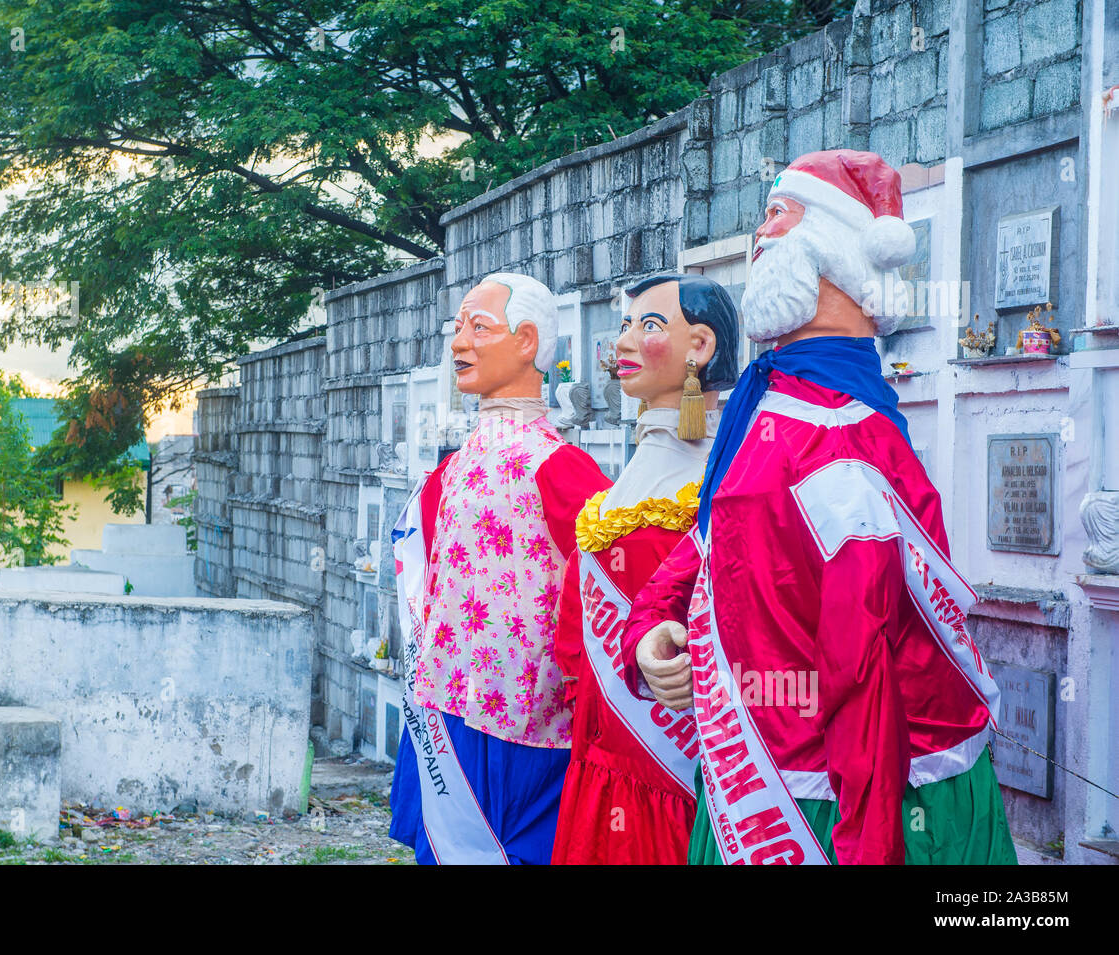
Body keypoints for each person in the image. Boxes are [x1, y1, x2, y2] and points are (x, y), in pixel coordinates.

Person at [622, 150, 1016, 865]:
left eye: (779, 214)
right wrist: (651, 627)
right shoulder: (770, 407)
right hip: (756, 777)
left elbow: (864, 668)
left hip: (830, 810)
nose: (761, 236)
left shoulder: (842, 437)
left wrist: (868, 846)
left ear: (833, 247)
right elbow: (712, 542)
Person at [388, 272, 611, 864]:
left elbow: (605, 593)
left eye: (479, 327)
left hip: (527, 727)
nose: (459, 342)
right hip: (447, 713)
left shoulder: (563, 470)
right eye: (458, 328)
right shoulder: (450, 471)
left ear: (528, 342)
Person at [551, 274, 739, 865]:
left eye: (649, 326)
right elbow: (572, 643)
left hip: (688, 761)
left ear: (700, 347)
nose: (624, 343)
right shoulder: (625, 488)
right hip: (604, 751)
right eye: (626, 325)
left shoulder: (728, 485)